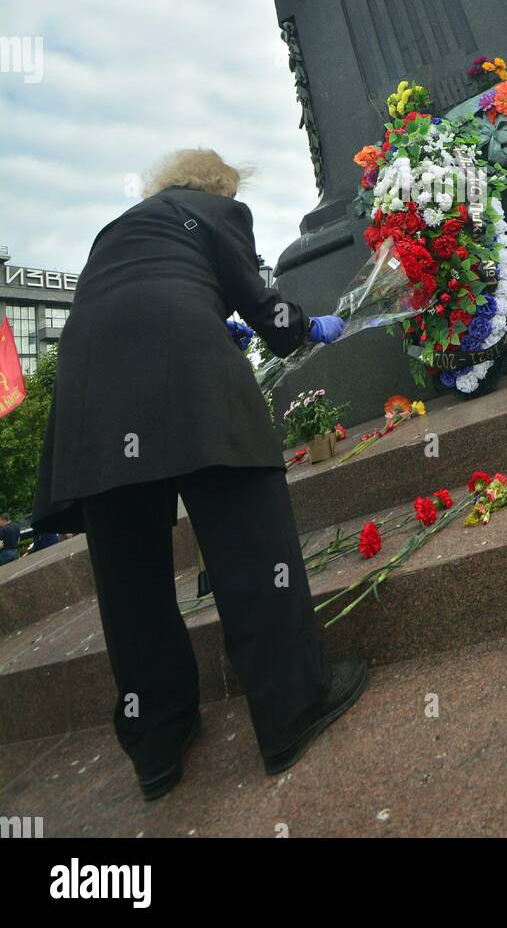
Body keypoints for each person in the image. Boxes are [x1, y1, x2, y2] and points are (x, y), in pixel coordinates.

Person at [31, 148, 365, 800]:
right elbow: (261, 303)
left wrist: (209, 322)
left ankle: (157, 741)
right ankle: (292, 706)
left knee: (129, 577)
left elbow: (139, 295)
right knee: (248, 536)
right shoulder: (216, 209)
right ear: (218, 185)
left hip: (91, 383)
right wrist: (301, 328)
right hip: (186, 362)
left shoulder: (122, 226)